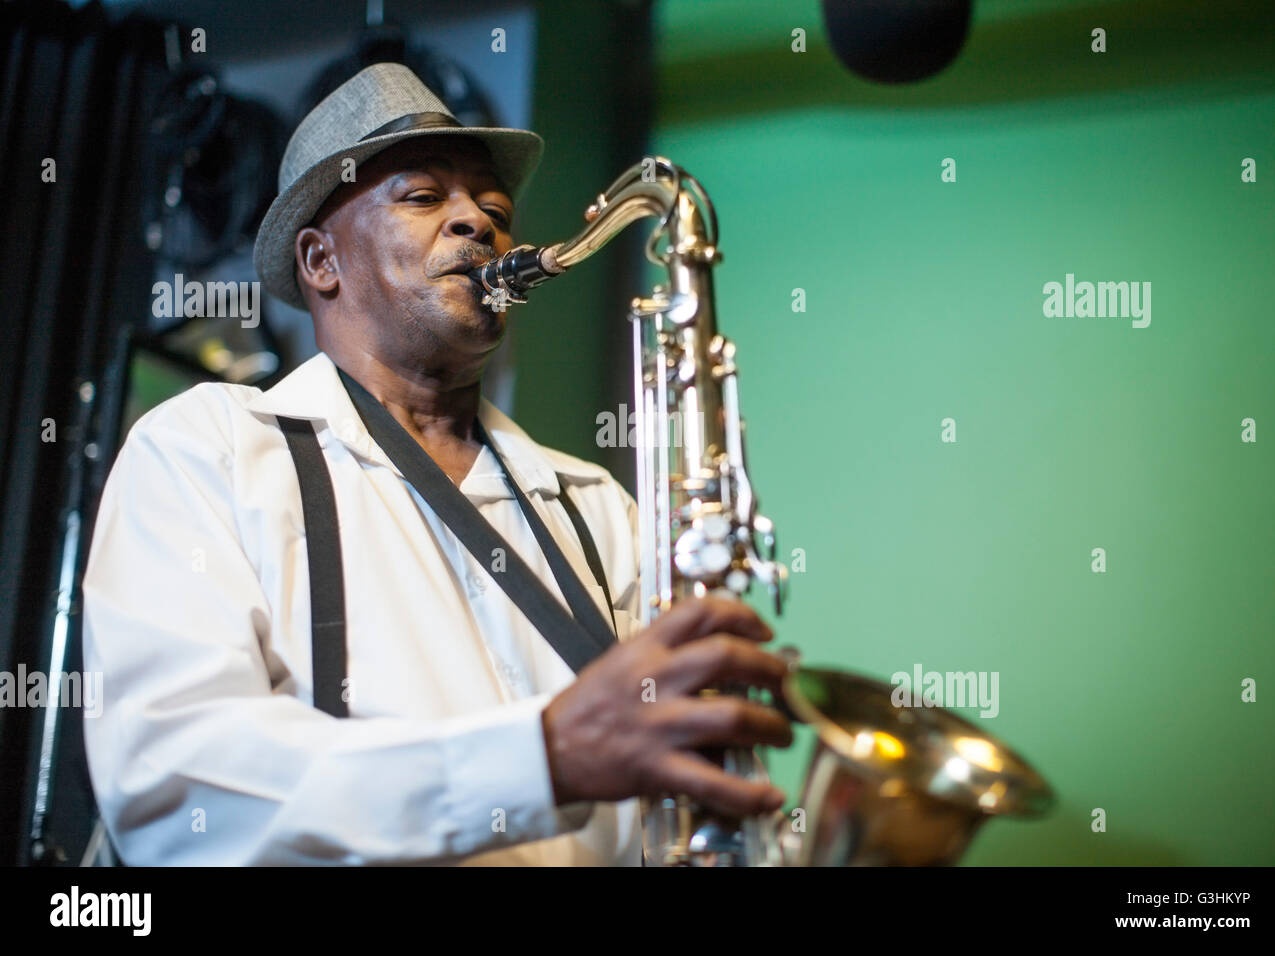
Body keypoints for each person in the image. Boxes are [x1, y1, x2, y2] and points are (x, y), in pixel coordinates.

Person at [82, 62, 792, 866]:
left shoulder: (599, 509)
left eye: (494, 207)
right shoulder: (206, 449)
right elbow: (176, 790)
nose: (479, 224)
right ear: (321, 262)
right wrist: (544, 756)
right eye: (423, 197)